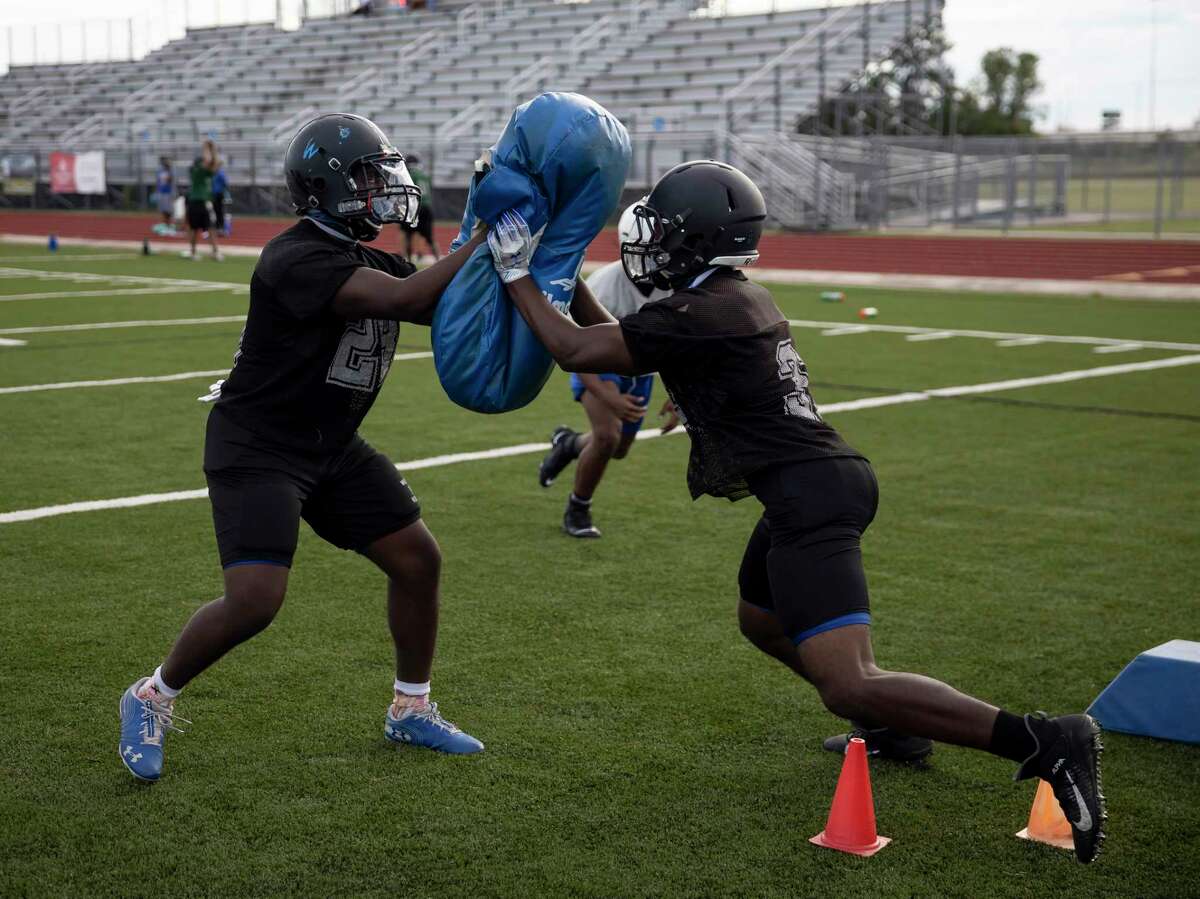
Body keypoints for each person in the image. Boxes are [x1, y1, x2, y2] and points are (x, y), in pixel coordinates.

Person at [485, 160, 1106, 864]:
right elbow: (634, 337)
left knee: (848, 679)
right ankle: (893, 727)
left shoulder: (702, 311)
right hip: (808, 483)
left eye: (663, 231)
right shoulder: (723, 298)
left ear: (696, 240)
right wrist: (561, 281)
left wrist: (517, 273)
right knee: (761, 620)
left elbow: (572, 346)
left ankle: (1045, 737)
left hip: (811, 493)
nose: (649, 244)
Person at [118, 113, 489, 783]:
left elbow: (440, 301)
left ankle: (410, 707)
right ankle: (151, 695)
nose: (386, 187)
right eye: (370, 177)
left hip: (330, 443)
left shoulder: (368, 254)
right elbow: (409, 297)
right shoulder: (294, 256)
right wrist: (486, 236)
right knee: (256, 598)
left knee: (418, 559)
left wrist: (510, 249)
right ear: (328, 187)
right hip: (259, 444)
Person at [537, 200, 677, 538]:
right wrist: (604, 394)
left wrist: (678, 395)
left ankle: (569, 444)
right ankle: (578, 509)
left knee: (618, 449)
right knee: (607, 436)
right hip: (597, 363)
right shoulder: (604, 284)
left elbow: (680, 346)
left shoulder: (678, 285)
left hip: (640, 370)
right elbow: (573, 350)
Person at [183, 139, 222, 261]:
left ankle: (215, 252)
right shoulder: (197, 171)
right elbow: (209, 161)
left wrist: (213, 149)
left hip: (204, 203)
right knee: (194, 228)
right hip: (195, 202)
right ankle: (193, 252)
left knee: (211, 227)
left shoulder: (205, 172)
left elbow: (216, 163)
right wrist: (206, 147)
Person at [398, 154, 439, 260]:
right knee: (430, 238)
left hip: (415, 207)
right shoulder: (425, 175)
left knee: (407, 234)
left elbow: (408, 191)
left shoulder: (410, 174)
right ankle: (438, 259)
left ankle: (409, 261)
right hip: (427, 207)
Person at [154, 157, 175, 233]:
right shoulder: (159, 171)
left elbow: (170, 179)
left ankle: (168, 225)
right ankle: (164, 225)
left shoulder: (170, 171)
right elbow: (158, 182)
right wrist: (157, 191)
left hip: (168, 193)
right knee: (163, 210)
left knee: (168, 211)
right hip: (161, 193)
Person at [211, 162, 229, 237]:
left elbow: (225, 183)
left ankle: (221, 228)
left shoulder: (220, 173)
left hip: (218, 194)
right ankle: (216, 228)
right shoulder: (212, 173)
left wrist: (224, 192)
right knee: (214, 212)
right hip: (212, 195)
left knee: (219, 212)